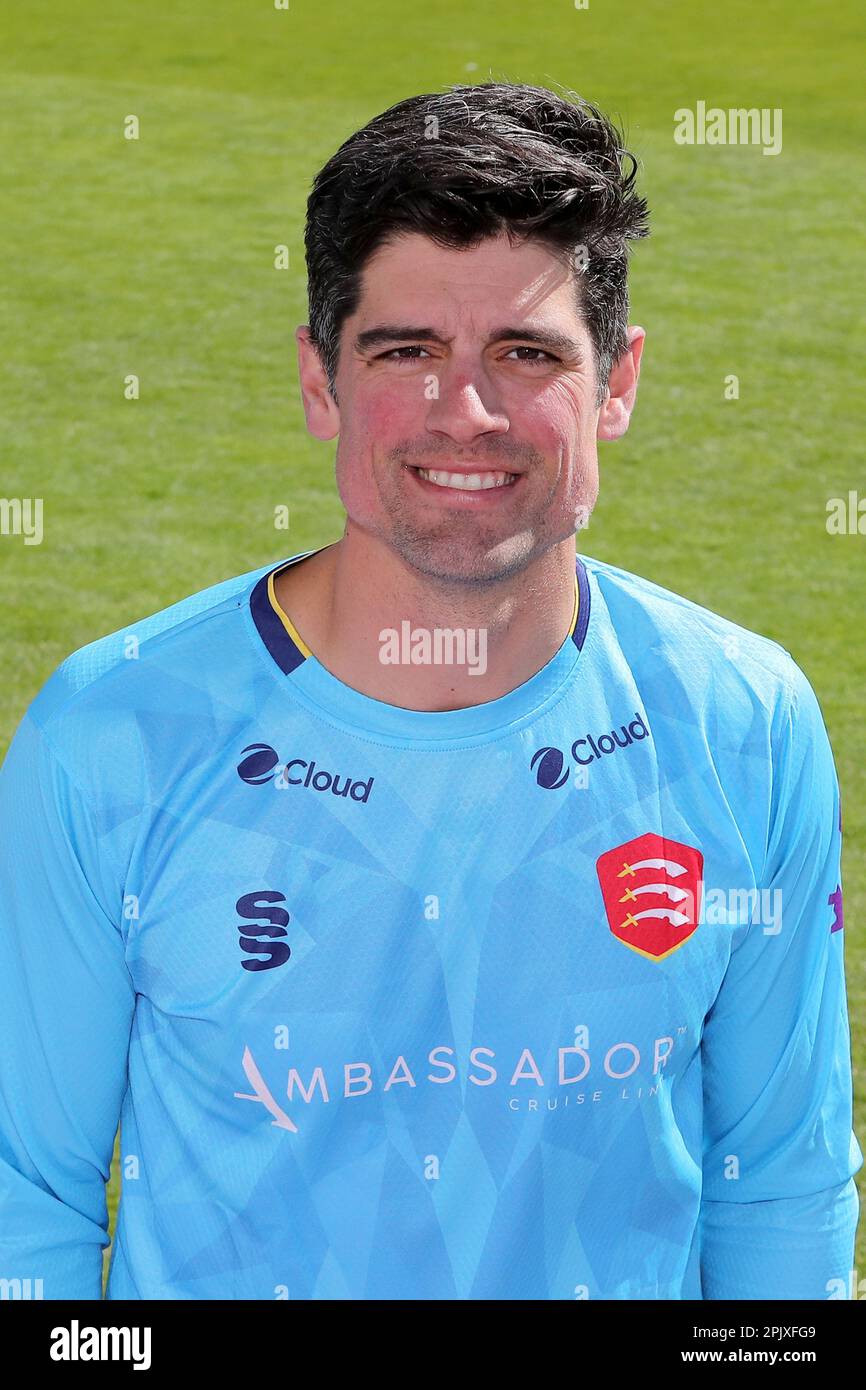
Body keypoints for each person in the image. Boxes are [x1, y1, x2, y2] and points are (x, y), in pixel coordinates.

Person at [0, 82, 860, 1301]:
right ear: (320, 381)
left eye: (525, 353)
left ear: (614, 385)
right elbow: (23, 1199)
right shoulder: (113, 733)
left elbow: (777, 1178)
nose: (465, 411)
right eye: (404, 351)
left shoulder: (741, 723)